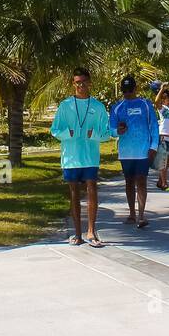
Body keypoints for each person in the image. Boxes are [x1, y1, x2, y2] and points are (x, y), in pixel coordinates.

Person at [49, 67, 111, 247]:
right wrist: (68, 133)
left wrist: (94, 135)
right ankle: (77, 233)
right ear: (73, 84)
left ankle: (91, 231)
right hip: (70, 157)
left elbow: (106, 134)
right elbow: (54, 130)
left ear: (89, 82)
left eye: (84, 82)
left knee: (92, 188)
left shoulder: (98, 107)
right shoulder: (65, 105)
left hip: (90, 156)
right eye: (78, 82)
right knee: (74, 192)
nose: (81, 86)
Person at [110, 75, 159, 228]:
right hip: (126, 152)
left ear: (135, 89)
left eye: (130, 90)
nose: (127, 93)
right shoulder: (117, 107)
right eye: (125, 90)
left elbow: (154, 127)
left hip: (143, 151)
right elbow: (111, 130)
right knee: (129, 182)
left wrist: (154, 146)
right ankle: (132, 214)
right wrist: (118, 130)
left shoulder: (145, 104)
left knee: (142, 182)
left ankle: (142, 215)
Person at [153, 84, 169, 191]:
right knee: (163, 161)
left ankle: (160, 181)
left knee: (167, 162)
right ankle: (164, 183)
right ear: (163, 101)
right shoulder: (162, 109)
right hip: (163, 137)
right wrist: (162, 90)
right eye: (167, 99)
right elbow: (156, 101)